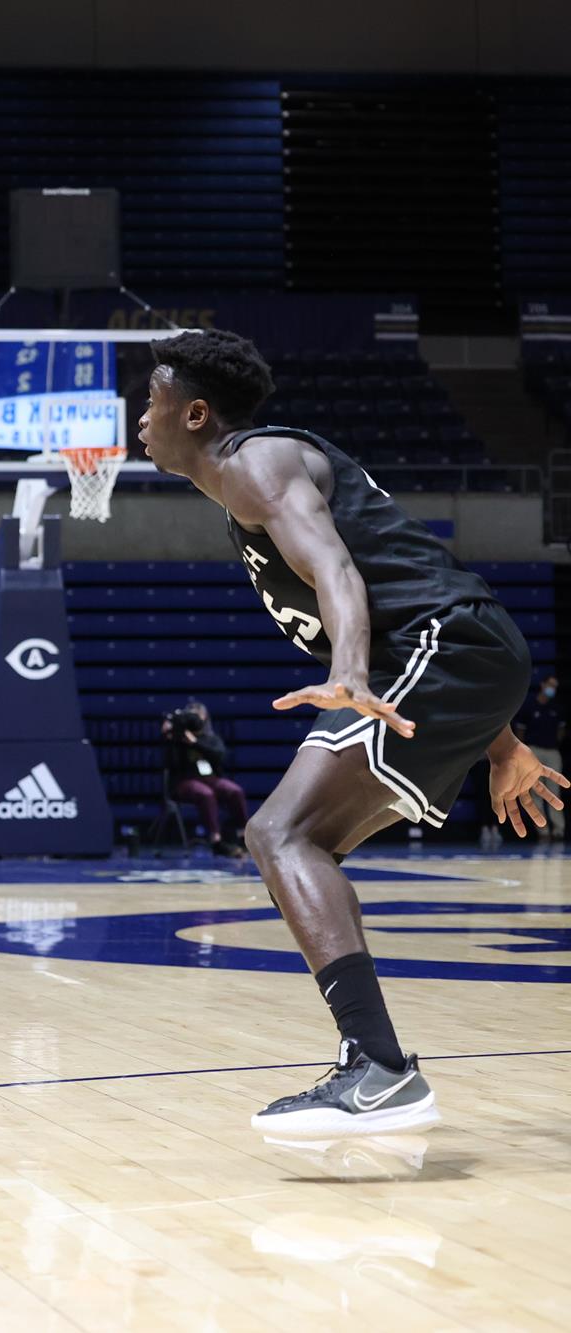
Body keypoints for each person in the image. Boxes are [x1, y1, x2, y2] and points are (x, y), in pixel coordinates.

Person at [139, 328, 563, 1139]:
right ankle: (374, 1065)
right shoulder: (242, 489)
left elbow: (340, 570)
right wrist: (502, 743)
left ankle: (378, 1069)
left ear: (195, 413)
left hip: (443, 644)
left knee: (280, 832)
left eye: (151, 402)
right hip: (458, 649)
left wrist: (351, 670)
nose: (140, 419)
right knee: (298, 843)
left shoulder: (253, 462)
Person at [162, 697, 247, 856]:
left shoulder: (210, 738)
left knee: (235, 791)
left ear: (205, 718)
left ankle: (243, 835)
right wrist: (170, 735)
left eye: (198, 717)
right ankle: (216, 840)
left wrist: (195, 743)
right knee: (205, 794)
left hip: (210, 779)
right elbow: (169, 762)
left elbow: (220, 756)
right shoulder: (176, 738)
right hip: (184, 781)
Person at [512, 673, 564, 840]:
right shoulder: (529, 705)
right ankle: (543, 830)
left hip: (552, 751)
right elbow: (520, 730)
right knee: (536, 791)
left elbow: (561, 731)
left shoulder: (556, 707)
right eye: (550, 685)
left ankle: (558, 830)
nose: (552, 689)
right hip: (533, 752)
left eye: (555, 686)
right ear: (542, 685)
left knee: (554, 791)